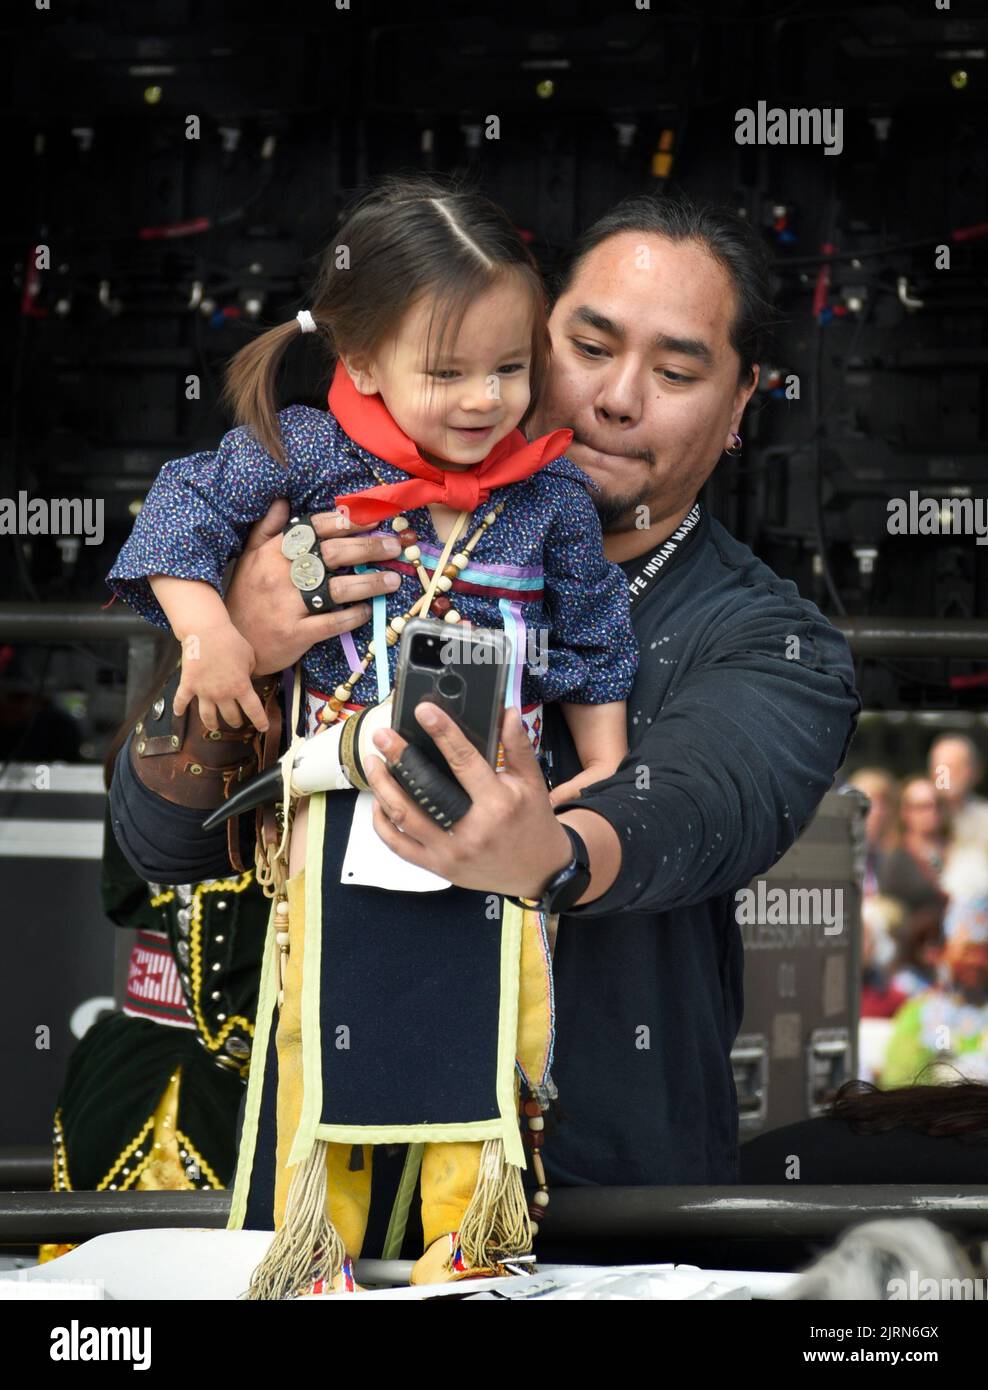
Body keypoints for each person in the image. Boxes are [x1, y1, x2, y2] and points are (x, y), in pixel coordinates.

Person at [108, 189, 859, 1246]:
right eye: (585, 346)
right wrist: (239, 638)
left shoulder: (769, 637)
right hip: (320, 1181)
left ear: (741, 407)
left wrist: (549, 848)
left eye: (678, 372)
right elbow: (160, 840)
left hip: (595, 1212)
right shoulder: (335, 524)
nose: (615, 399)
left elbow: (697, 806)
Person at [106, 176, 638, 1296]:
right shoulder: (303, 451)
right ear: (359, 363)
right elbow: (178, 513)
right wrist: (208, 631)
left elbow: (591, 631)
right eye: (447, 373)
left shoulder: (547, 496)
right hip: (330, 810)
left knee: (477, 1024)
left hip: (485, 813)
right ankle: (309, 1242)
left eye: (509, 368)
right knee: (320, 1023)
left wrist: (602, 759)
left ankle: (469, 1235)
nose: (485, 399)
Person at [880, 895, 988, 1090]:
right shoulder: (920, 1012)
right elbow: (897, 1084)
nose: (977, 961)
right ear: (944, 952)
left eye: (985, 951)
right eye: (967, 951)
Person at [876, 776, 951, 919]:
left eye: (937, 804)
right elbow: (890, 908)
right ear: (906, 812)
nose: (932, 812)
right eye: (923, 806)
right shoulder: (894, 857)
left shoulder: (957, 849)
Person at [928, 733, 988, 851]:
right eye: (941, 768)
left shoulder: (985, 819)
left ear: (975, 771)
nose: (948, 775)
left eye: (957, 767)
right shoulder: (910, 817)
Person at [845, 767, 896, 898]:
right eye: (870, 803)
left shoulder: (891, 857)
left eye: (884, 803)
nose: (878, 812)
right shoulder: (839, 854)